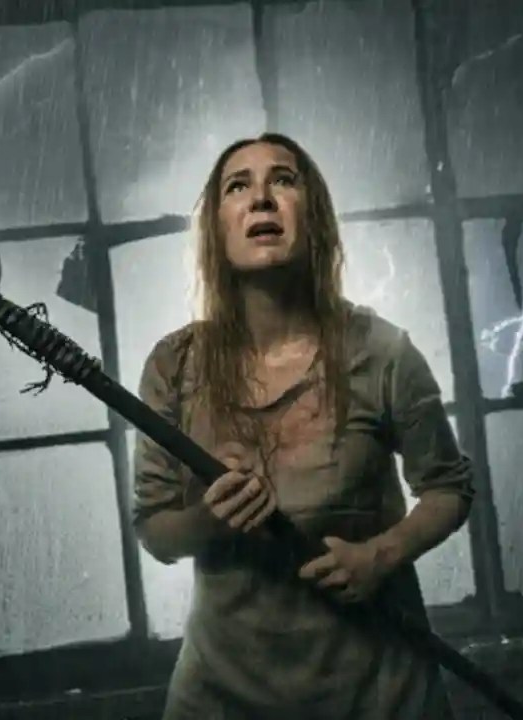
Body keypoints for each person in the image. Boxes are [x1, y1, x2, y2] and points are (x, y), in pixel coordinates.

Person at [131, 132, 474, 719]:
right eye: (238, 186)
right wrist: (211, 520)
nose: (261, 198)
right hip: (223, 699)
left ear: (313, 217)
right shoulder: (174, 365)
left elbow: (450, 487)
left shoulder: (382, 352)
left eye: (283, 180)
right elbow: (155, 529)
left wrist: (380, 556)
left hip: (378, 695)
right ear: (216, 228)